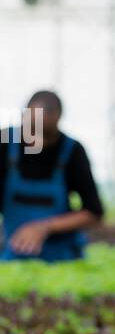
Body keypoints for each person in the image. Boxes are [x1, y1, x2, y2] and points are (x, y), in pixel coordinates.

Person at [0, 90, 104, 262]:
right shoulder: (4, 142)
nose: (35, 142)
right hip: (10, 251)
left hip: (62, 255)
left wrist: (44, 227)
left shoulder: (73, 151)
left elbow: (93, 213)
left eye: (44, 135)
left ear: (58, 121)